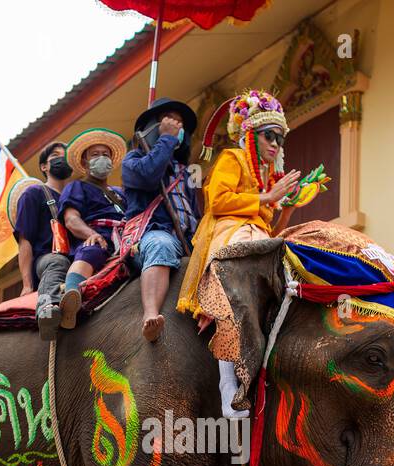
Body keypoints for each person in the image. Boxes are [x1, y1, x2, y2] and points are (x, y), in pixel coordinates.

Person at [177, 90, 315, 416]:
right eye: (270, 136)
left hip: (257, 233)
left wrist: (290, 205)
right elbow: (218, 201)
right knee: (233, 298)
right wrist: (268, 198)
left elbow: (270, 223)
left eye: (280, 139)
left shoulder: (264, 175)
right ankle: (229, 386)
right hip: (229, 232)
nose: (276, 145)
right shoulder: (231, 159)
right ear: (250, 135)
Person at [121, 96, 202, 342]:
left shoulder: (187, 171)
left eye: (180, 124)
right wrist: (166, 139)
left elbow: (194, 210)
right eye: (169, 121)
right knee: (161, 245)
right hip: (152, 234)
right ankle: (150, 314)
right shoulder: (132, 161)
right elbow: (147, 176)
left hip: (187, 239)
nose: (176, 126)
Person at [56, 128, 129, 329]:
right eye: (95, 155)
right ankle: (71, 297)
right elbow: (71, 219)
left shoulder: (120, 193)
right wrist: (92, 234)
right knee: (91, 250)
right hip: (99, 233)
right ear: (84, 163)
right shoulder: (76, 187)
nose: (101, 159)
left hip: (128, 236)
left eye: (105, 155)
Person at [13, 140, 73, 335]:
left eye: (65, 156)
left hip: (77, 258)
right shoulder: (34, 193)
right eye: (55, 156)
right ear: (44, 166)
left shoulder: (76, 195)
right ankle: (47, 309)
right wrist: (27, 284)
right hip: (47, 259)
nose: (61, 159)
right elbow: (25, 241)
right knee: (57, 261)